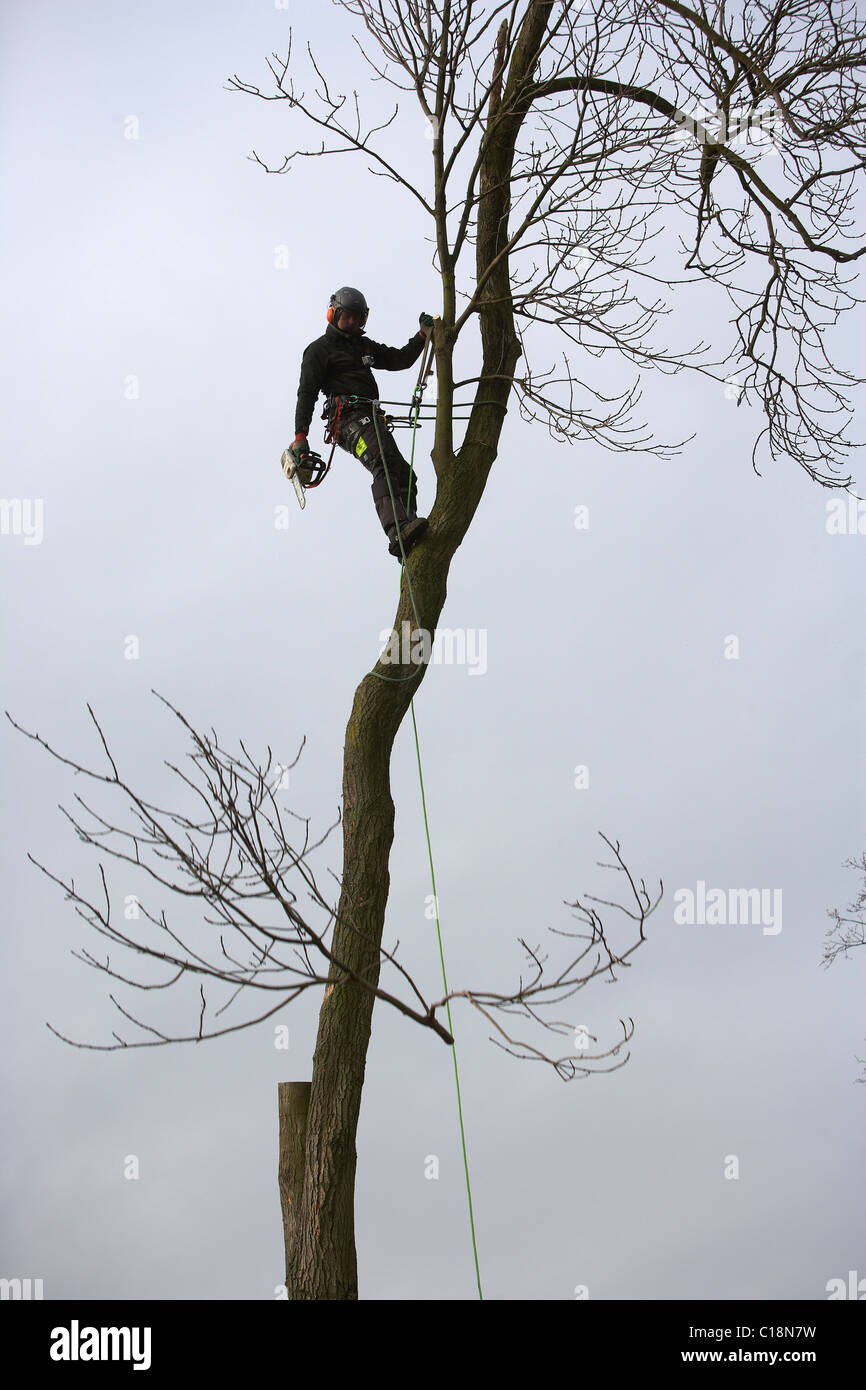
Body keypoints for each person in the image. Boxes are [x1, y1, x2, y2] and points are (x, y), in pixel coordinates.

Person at [288, 286, 435, 558]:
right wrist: (300, 436)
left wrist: (421, 337)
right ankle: (397, 532)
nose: (353, 322)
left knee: (404, 473)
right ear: (333, 314)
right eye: (348, 317)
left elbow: (399, 359)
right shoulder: (319, 350)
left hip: (370, 417)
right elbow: (306, 393)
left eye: (358, 318)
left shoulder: (363, 346)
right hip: (347, 420)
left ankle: (410, 527)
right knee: (384, 462)